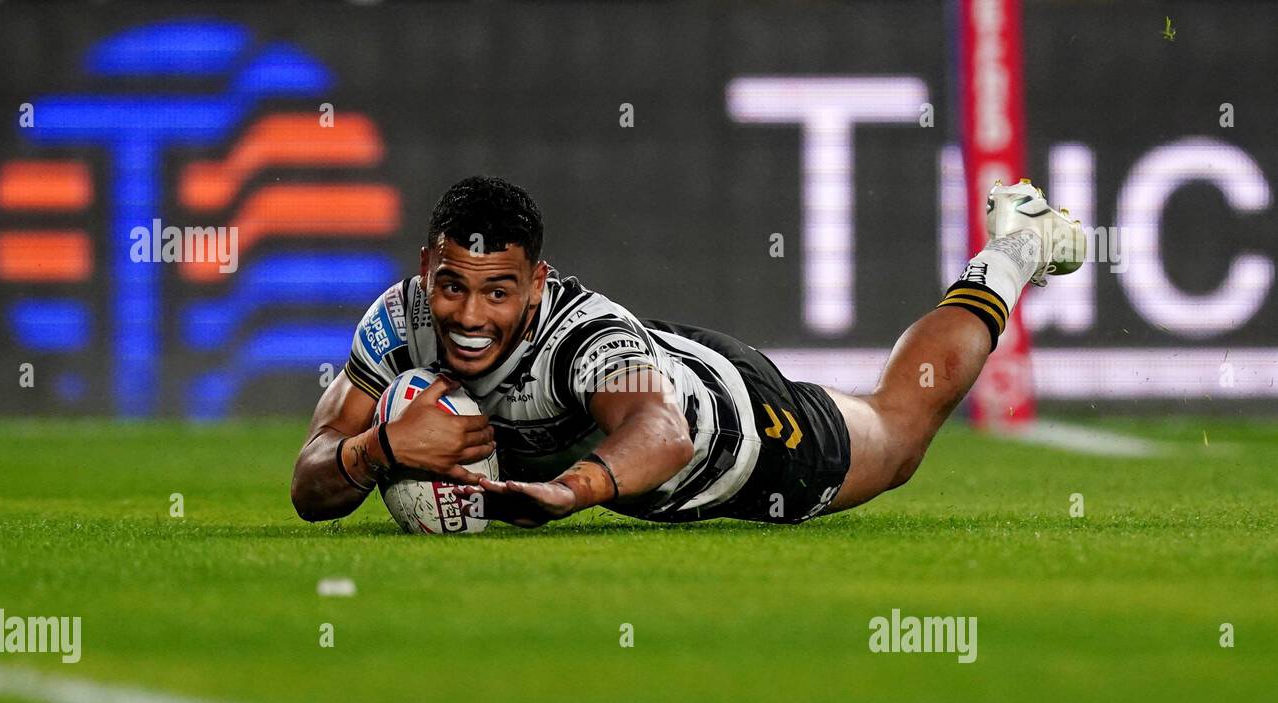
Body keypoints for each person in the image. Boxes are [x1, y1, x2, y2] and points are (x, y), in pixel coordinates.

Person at [290, 175, 1083, 528]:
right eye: (452, 286)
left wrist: (571, 491)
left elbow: (662, 434)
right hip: (662, 351)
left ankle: (1011, 250)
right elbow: (312, 477)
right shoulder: (397, 321)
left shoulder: (581, 336)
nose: (468, 315)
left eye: (497, 291)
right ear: (427, 269)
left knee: (898, 431)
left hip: (736, 431)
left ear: (536, 284)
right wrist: (376, 449)